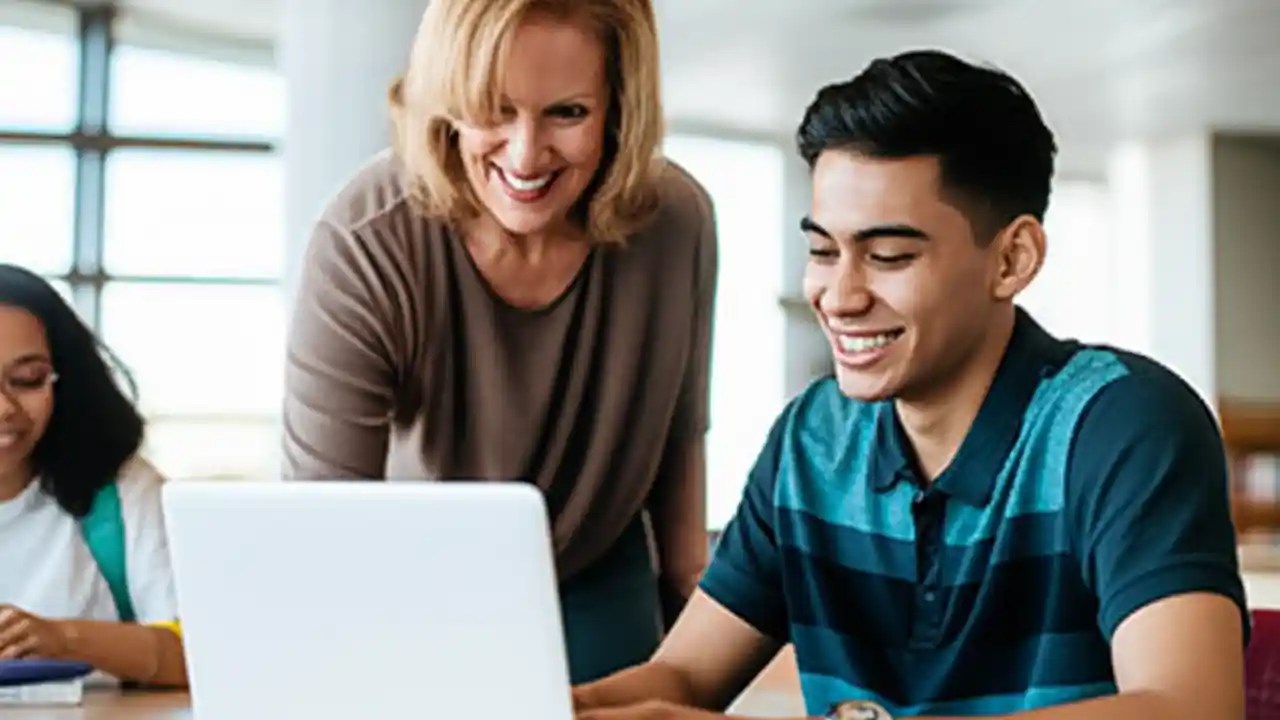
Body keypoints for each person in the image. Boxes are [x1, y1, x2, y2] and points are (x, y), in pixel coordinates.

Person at [572, 50, 1248, 720]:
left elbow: (1190, 706)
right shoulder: (812, 441)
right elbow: (684, 679)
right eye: (822, 251)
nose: (839, 296)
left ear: (1013, 260)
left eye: (889, 256)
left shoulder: (1124, 426)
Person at [282, 0, 716, 683]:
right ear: (447, 102)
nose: (525, 153)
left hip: (601, 563)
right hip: (412, 576)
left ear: (619, 109)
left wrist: (690, 607)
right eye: (493, 109)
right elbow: (324, 521)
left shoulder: (675, 220)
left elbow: (679, 426)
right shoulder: (367, 235)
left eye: (567, 113)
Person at [0, 264, 186, 687]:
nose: (5, 409)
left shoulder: (118, 493)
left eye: (27, 380)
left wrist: (63, 638)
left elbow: (199, 655)